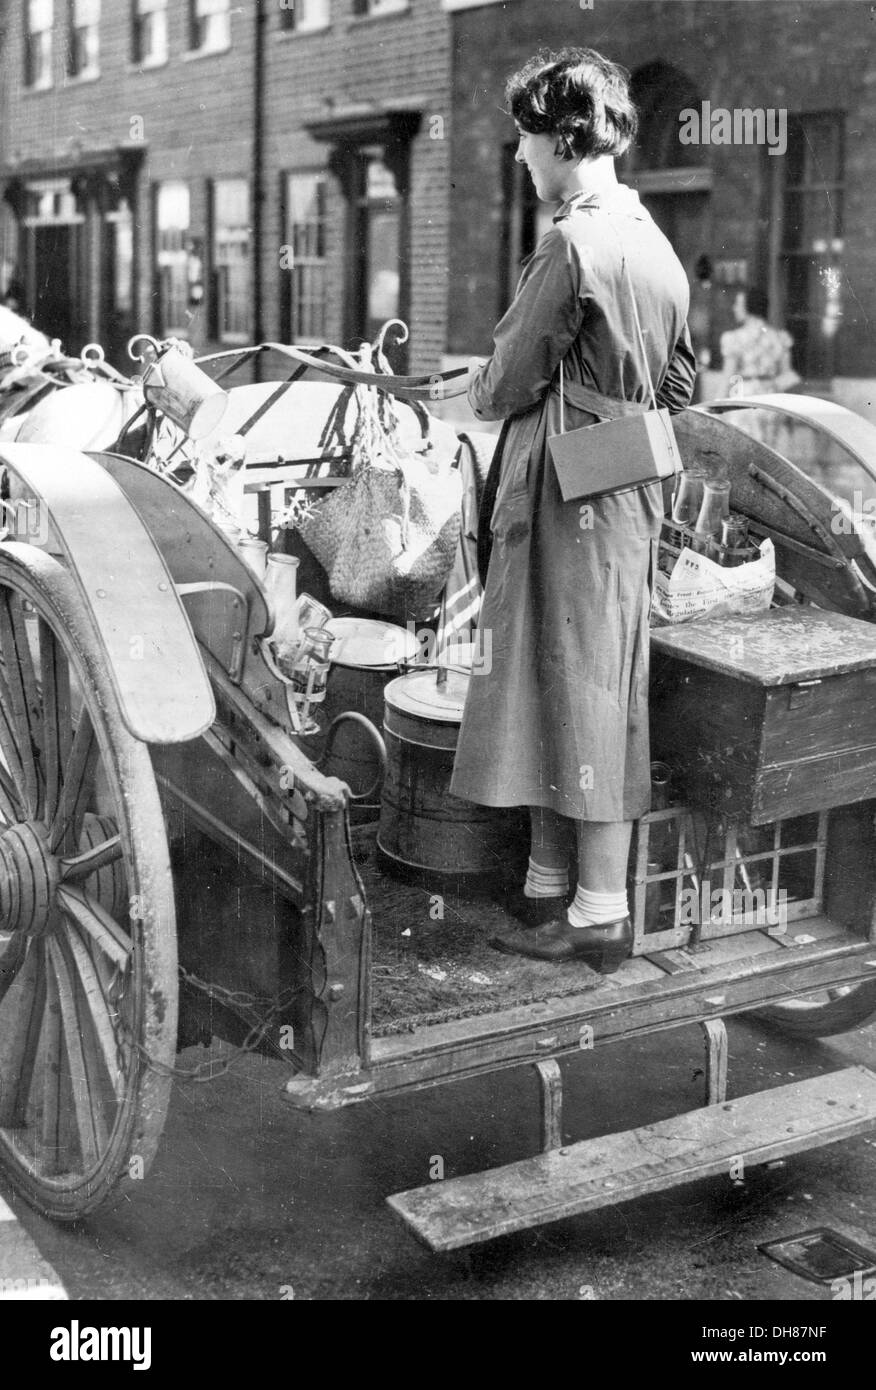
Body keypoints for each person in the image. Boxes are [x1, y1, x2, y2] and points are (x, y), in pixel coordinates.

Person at [449, 47, 696, 972]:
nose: (519, 158)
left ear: (563, 136)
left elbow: (507, 380)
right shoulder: (655, 242)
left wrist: (482, 386)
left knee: (572, 681)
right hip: (623, 481)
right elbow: (677, 383)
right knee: (584, 673)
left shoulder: (571, 242)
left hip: (562, 481)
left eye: (523, 139)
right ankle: (553, 891)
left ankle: (596, 912)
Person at [720, 287, 800, 397]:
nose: (734, 308)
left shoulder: (734, 338)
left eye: (738, 304)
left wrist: (713, 407)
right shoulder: (780, 337)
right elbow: (787, 375)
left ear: (749, 306)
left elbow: (727, 378)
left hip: (743, 402)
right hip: (771, 401)